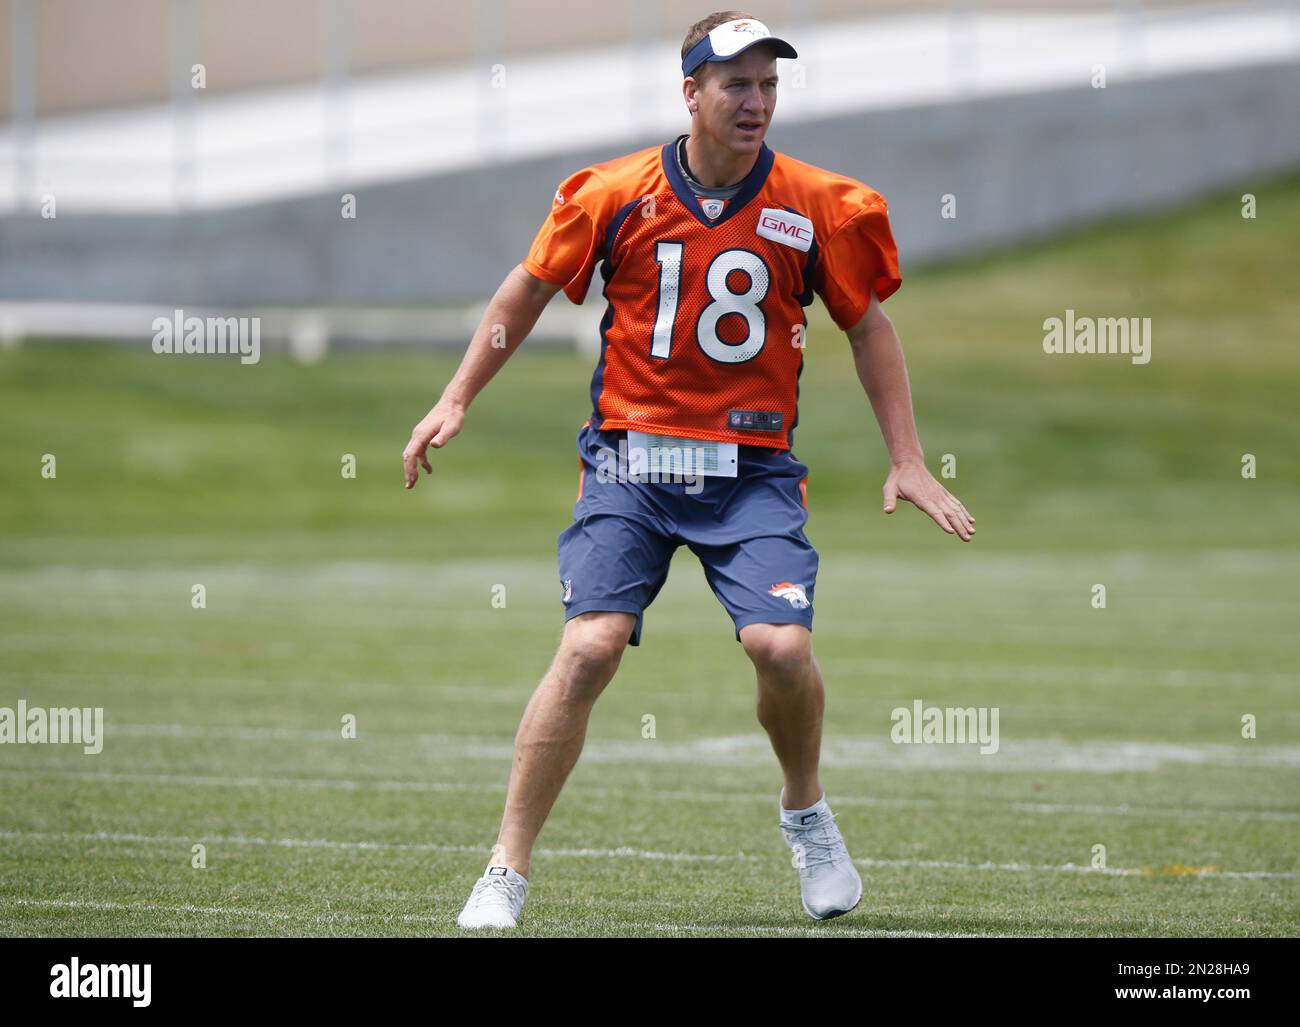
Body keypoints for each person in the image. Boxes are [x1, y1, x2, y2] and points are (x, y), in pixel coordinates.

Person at [402, 11, 975, 930]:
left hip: (749, 471)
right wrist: (457, 395)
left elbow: (867, 325)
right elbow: (529, 286)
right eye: (736, 85)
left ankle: (806, 811)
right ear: (692, 94)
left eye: (768, 85)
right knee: (588, 647)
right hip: (632, 461)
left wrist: (908, 458)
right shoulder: (615, 192)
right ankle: (506, 867)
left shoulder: (820, 204)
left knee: (780, 649)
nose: (755, 103)